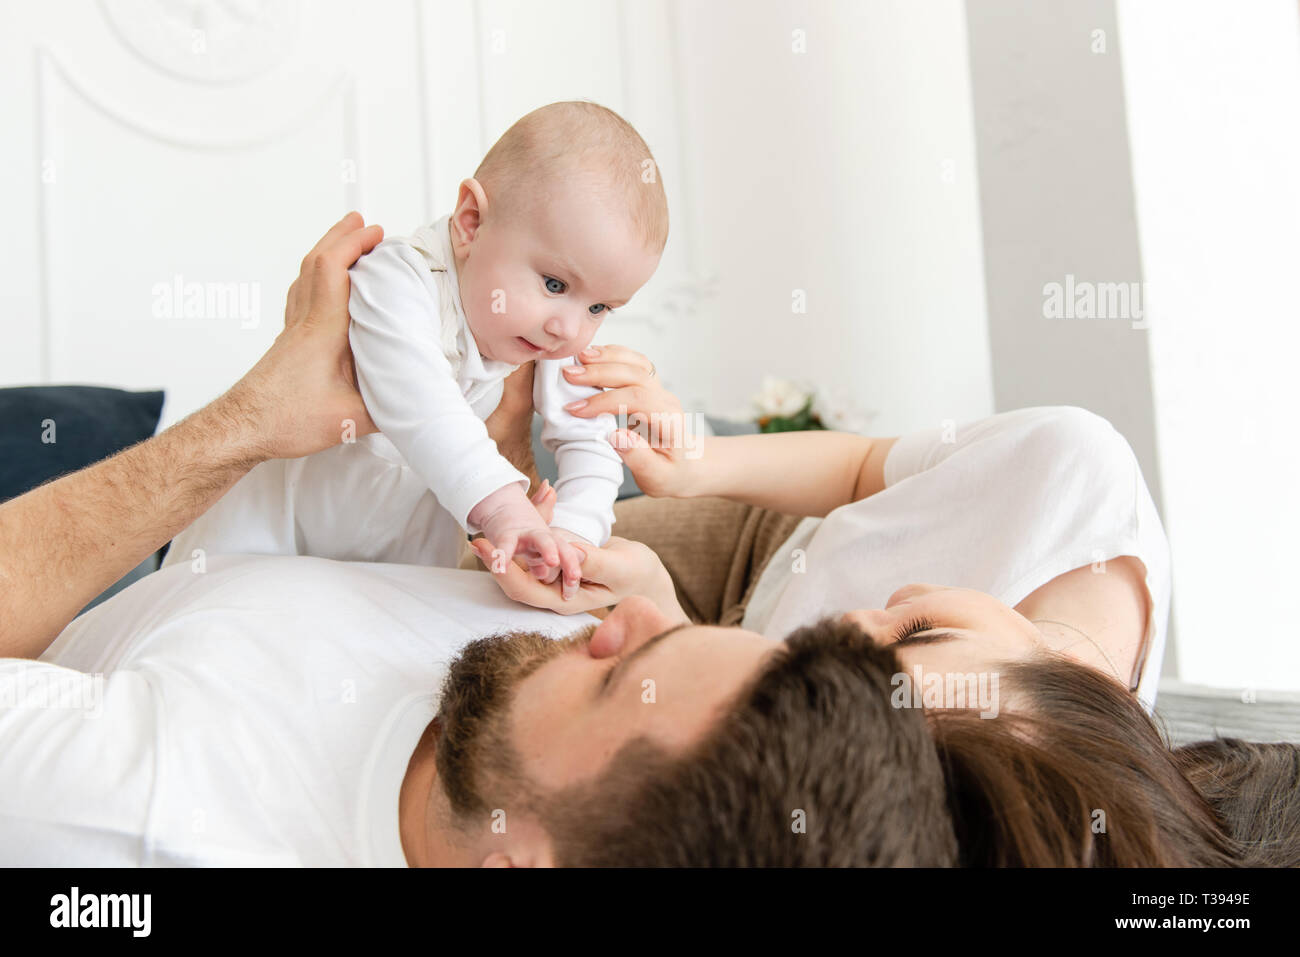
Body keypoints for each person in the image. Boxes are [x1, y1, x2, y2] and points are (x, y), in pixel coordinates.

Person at [0, 213, 956, 867]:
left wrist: (248, 421)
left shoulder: (140, 812)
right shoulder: (547, 669)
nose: (619, 624)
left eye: (618, 676)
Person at [468, 345, 1299, 866]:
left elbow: (770, 740)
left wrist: (668, 622)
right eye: (920, 629)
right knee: (492, 546)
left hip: (731, 684)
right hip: (763, 546)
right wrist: (698, 461)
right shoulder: (1069, 467)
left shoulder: (983, 796)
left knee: (514, 604)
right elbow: (868, 467)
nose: (844, 624)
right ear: (1051, 663)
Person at [164, 101, 668, 599]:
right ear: (471, 222)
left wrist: (571, 543)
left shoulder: (550, 334)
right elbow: (419, 400)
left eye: (601, 307)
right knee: (219, 618)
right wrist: (503, 509)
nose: (570, 328)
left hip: (393, 576)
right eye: (555, 284)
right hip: (262, 545)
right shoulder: (398, 276)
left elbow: (591, 445)